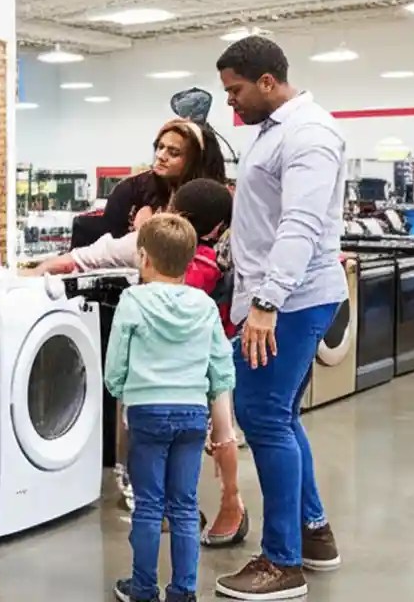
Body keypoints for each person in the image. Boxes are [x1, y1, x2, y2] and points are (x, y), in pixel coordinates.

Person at [27, 179, 249, 546]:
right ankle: (224, 507)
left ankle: (145, 572)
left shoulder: (140, 284)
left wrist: (121, 393)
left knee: (147, 484)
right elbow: (222, 347)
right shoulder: (224, 261)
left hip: (150, 394)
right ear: (217, 228)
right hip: (200, 384)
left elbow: (86, 261)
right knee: (211, 448)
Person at [212, 36, 349, 601]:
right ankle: (313, 534)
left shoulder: (309, 133)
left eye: (236, 91)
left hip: (291, 298)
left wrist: (267, 304)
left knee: (262, 414)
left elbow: (300, 224)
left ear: (268, 81)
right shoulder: (274, 133)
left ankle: (281, 562)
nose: (231, 104)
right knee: (280, 416)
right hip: (279, 294)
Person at [104, 213, 236, 602]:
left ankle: (143, 589)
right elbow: (220, 366)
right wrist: (218, 417)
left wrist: (120, 389)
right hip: (192, 414)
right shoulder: (204, 305)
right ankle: (183, 591)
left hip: (147, 413)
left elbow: (117, 364)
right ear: (191, 261)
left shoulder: (132, 300)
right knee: (184, 505)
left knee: (148, 505)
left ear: (143, 257)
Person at [101, 119, 228, 242]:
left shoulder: (212, 201)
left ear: (196, 161)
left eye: (173, 153)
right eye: (160, 147)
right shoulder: (130, 190)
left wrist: (146, 231)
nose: (161, 156)